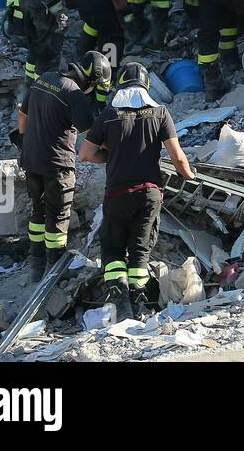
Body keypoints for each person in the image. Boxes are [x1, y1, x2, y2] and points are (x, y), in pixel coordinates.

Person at [80, 62, 195, 318]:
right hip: (150, 194)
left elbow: (85, 154)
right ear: (147, 86)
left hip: (117, 194)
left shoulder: (108, 115)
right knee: (140, 250)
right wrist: (189, 177)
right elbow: (178, 159)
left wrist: (110, 158)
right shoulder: (161, 113)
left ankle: (120, 304)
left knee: (113, 249)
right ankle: (141, 307)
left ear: (120, 85)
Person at [17, 51, 110, 281]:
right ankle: (55, 269)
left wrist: (27, 142)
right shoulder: (73, 93)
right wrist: (112, 152)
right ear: (89, 78)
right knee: (57, 218)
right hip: (57, 166)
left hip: (31, 159)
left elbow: (22, 116)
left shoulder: (44, 78)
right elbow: (91, 136)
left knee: (38, 212)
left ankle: (36, 265)